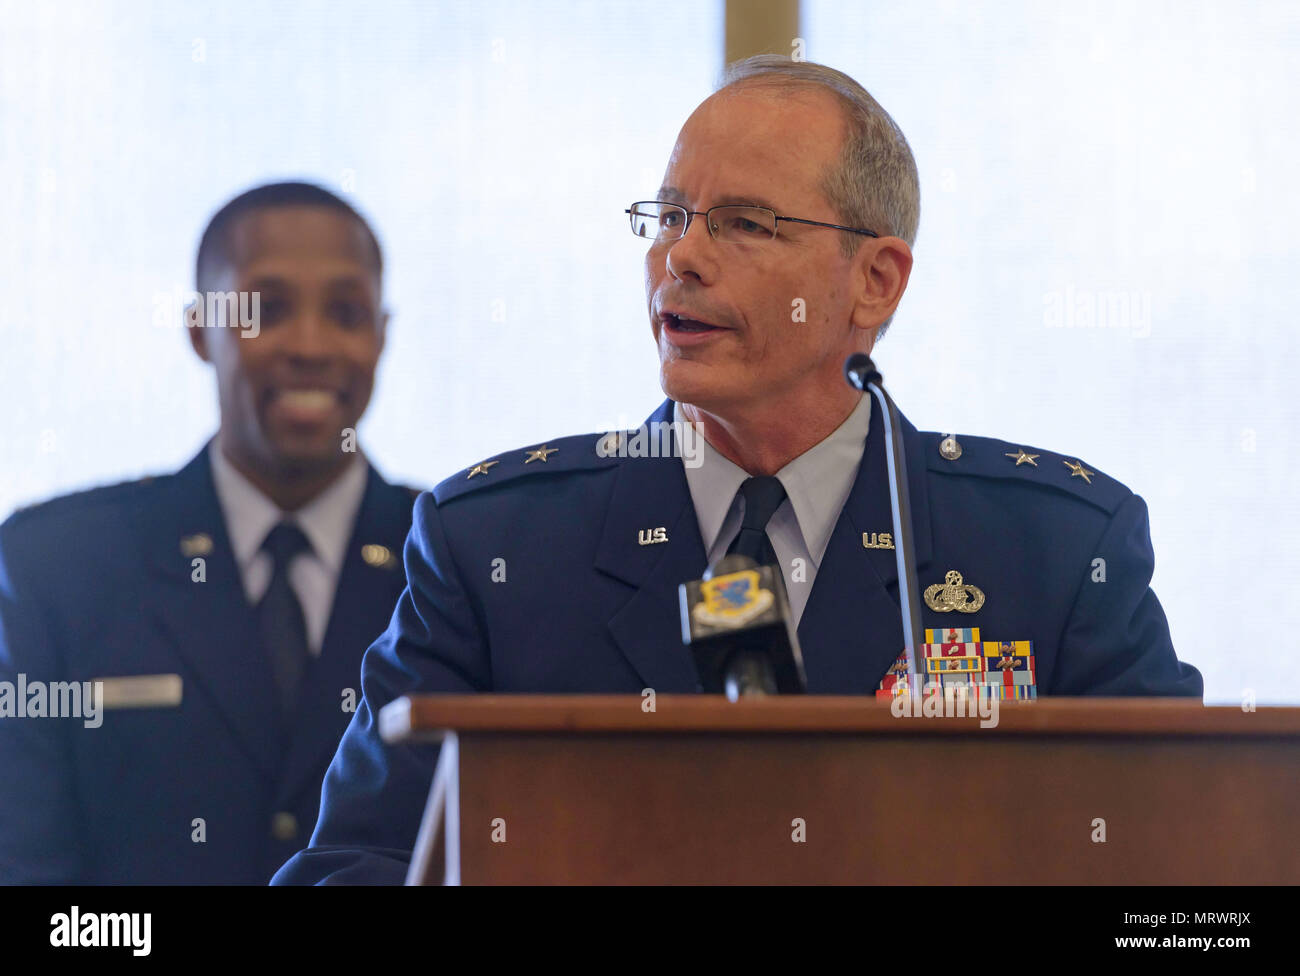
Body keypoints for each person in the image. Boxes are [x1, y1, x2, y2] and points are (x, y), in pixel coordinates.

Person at [273, 58, 1202, 886]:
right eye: (670, 217)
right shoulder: (495, 547)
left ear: (874, 281)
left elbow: (1191, 872)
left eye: (743, 223)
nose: (680, 255)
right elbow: (349, 867)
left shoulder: (1057, 549)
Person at [0, 181, 418, 883]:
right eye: (268, 310)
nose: (311, 346)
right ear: (201, 330)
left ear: (380, 333)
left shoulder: (458, 562)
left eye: (345, 312)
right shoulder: (57, 567)